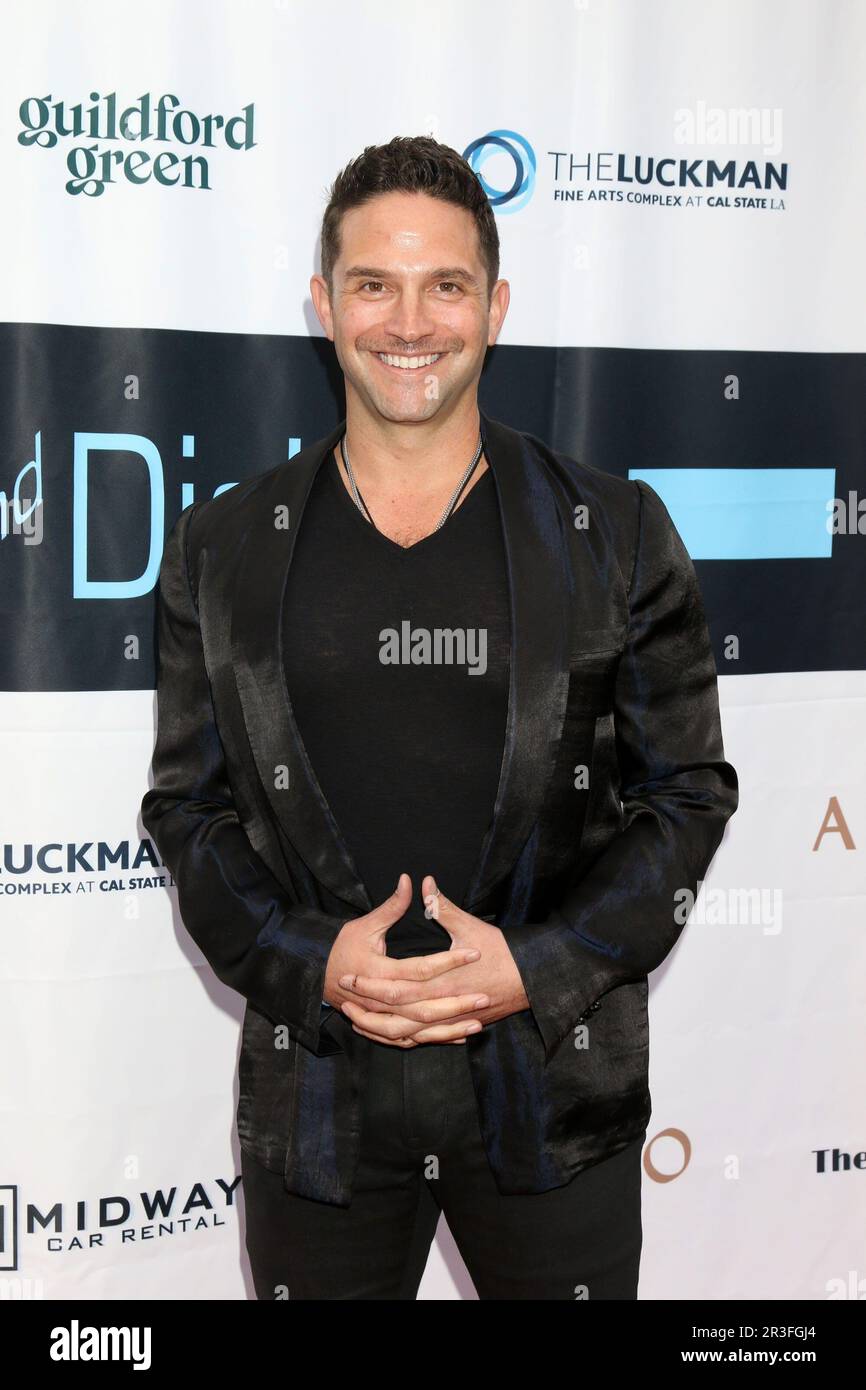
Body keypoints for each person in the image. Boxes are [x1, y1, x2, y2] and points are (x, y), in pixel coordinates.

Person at [140, 135, 738, 1300]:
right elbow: (187, 805)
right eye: (373, 284)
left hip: (552, 1090)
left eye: (444, 285)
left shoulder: (611, 534)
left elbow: (685, 795)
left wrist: (535, 965)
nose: (407, 323)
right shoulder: (221, 546)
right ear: (323, 304)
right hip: (317, 1093)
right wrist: (312, 963)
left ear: (495, 305)